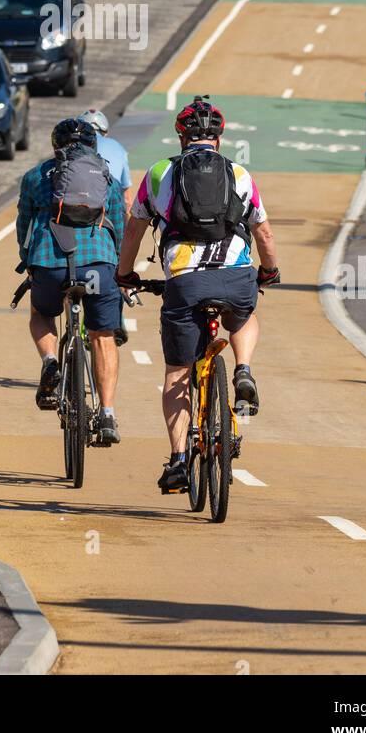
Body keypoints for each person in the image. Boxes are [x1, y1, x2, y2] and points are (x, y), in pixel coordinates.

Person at [116, 95, 280, 492]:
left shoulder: (158, 174)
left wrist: (125, 274)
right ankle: (242, 369)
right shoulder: (240, 175)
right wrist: (268, 270)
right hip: (236, 275)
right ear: (219, 139)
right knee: (242, 315)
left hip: (185, 282)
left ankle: (178, 459)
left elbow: (135, 229)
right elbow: (264, 232)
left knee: (177, 373)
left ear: (180, 137)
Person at [16, 117, 125, 444]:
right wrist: (115, 265)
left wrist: (27, 260)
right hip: (98, 264)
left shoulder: (36, 176)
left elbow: (24, 224)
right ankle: (107, 415)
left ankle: (51, 361)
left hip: (49, 264)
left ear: (54, 147)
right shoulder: (106, 176)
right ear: (94, 146)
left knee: (42, 314)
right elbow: (119, 223)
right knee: (103, 335)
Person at [79, 108, 132, 214]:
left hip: (77, 206)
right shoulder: (118, 146)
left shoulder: (74, 146)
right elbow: (127, 198)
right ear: (105, 132)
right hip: (108, 207)